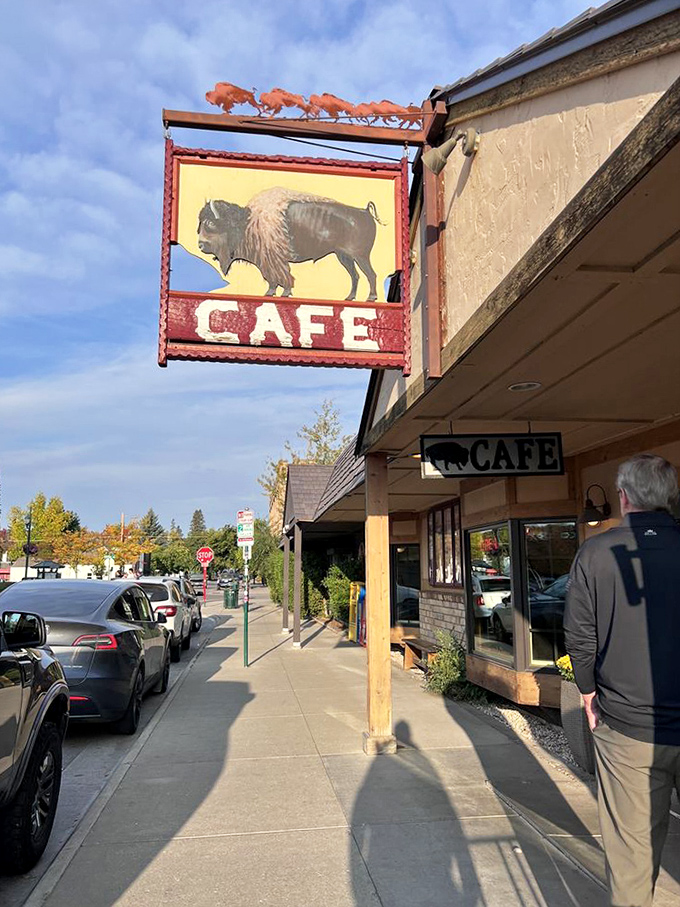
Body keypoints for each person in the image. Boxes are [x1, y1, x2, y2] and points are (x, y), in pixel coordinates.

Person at [564, 454, 680, 907]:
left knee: (633, 859)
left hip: (626, 728)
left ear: (625, 497)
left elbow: (580, 636)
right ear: (669, 498)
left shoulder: (595, 553)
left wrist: (589, 693)